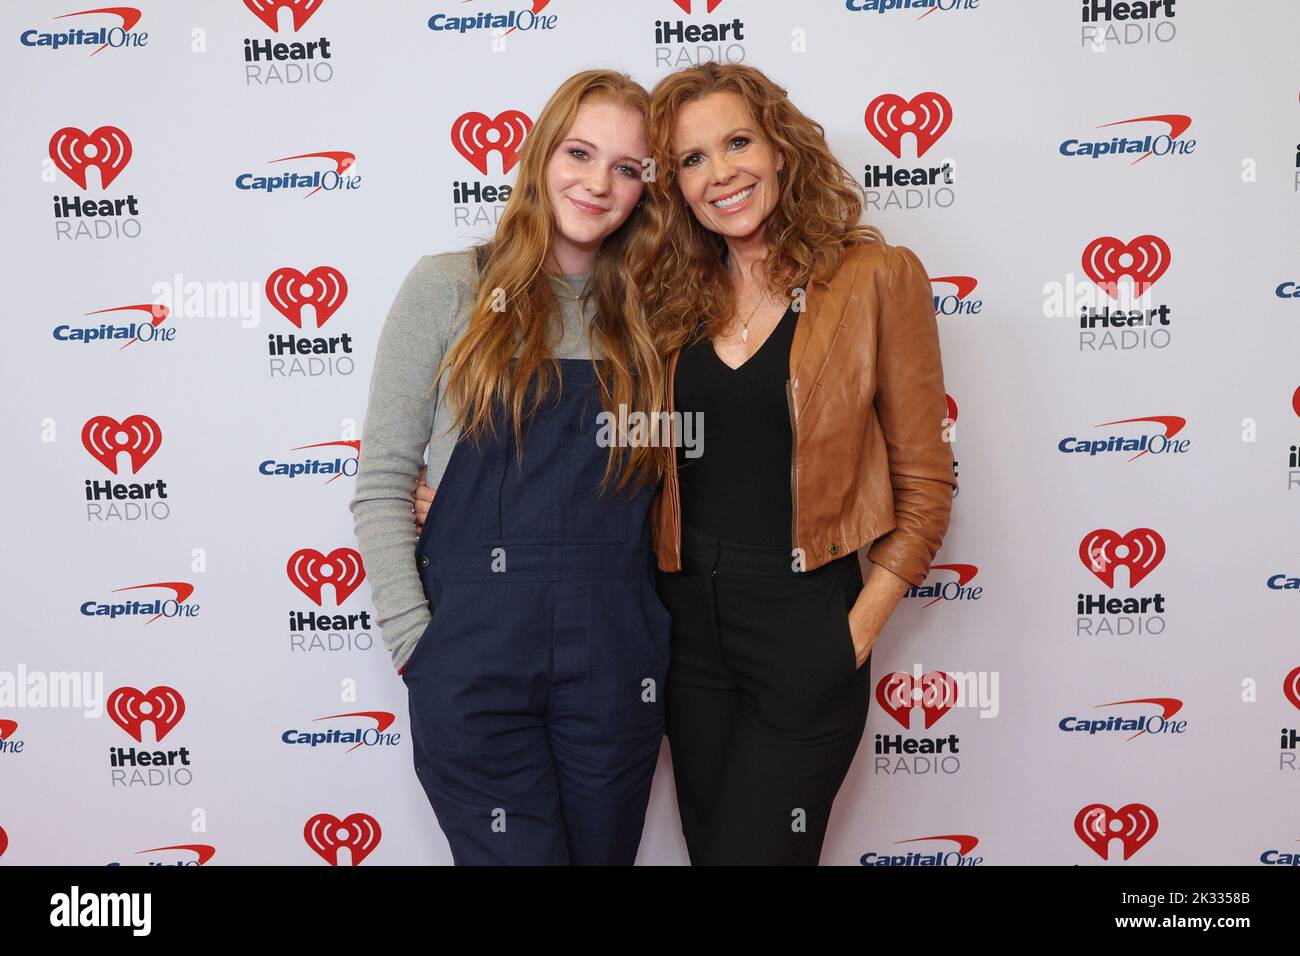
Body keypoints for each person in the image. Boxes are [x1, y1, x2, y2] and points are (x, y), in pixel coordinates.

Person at [350, 69, 670, 866]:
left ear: (645, 189)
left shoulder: (656, 311)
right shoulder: (448, 288)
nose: (599, 183)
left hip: (614, 658)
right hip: (474, 657)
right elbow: (386, 478)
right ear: (539, 155)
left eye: (627, 168)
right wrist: (417, 645)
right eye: (580, 152)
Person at [640, 62, 957, 865]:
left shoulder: (877, 279)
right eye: (692, 159)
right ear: (674, 185)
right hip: (684, 630)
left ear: (780, 147)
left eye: (738, 141)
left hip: (805, 617)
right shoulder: (668, 296)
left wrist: (849, 633)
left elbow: (927, 487)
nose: (722, 174)